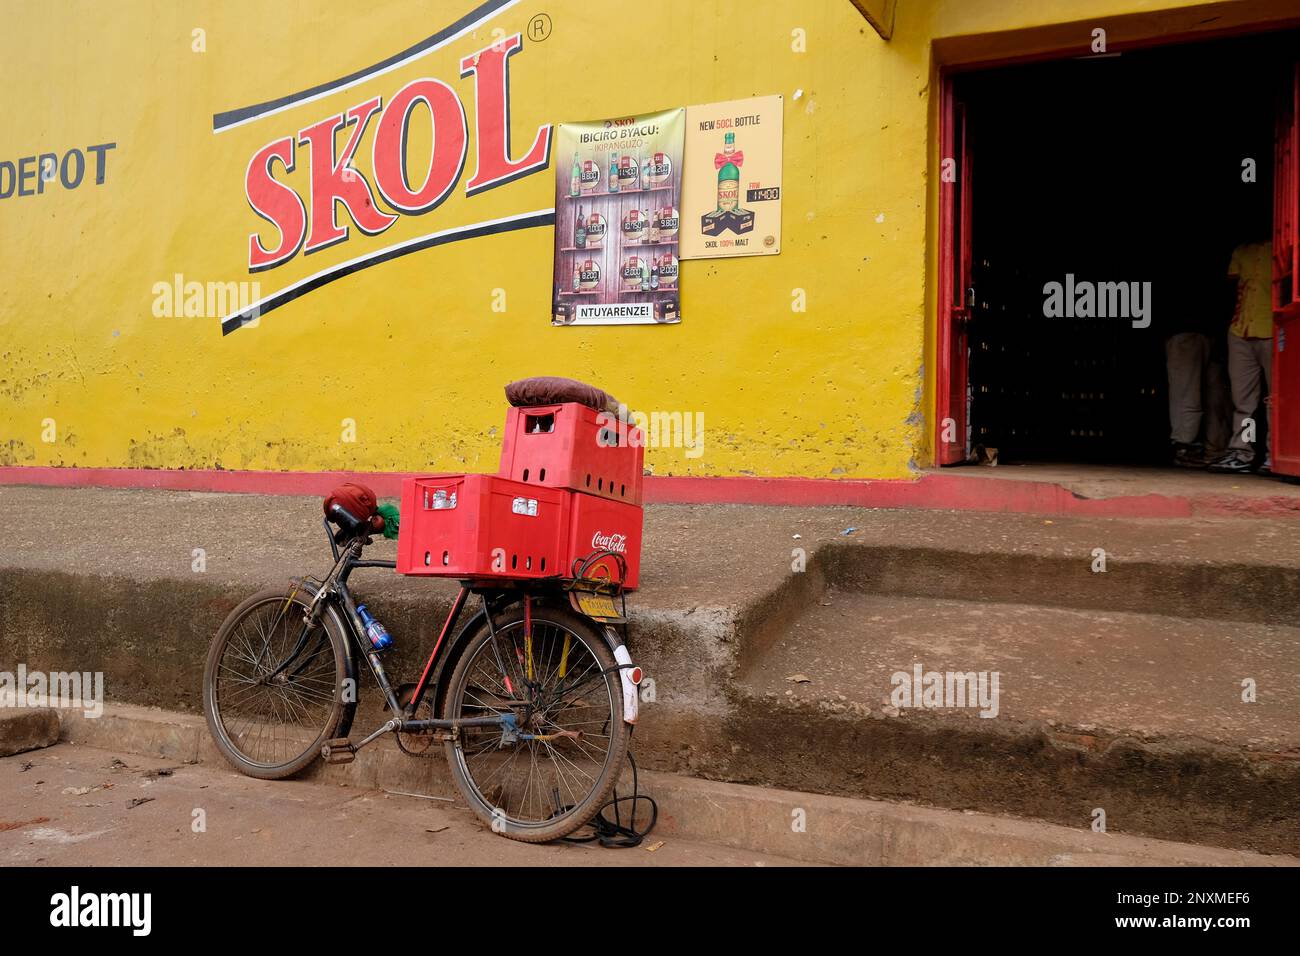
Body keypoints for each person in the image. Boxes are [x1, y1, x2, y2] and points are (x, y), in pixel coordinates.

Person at [1208, 239, 1274, 473]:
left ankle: (1273, 455)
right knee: (1244, 403)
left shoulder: (1287, 246)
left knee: (1276, 400)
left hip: (1275, 329)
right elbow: (1232, 291)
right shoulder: (1240, 251)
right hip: (1240, 331)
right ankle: (1243, 452)